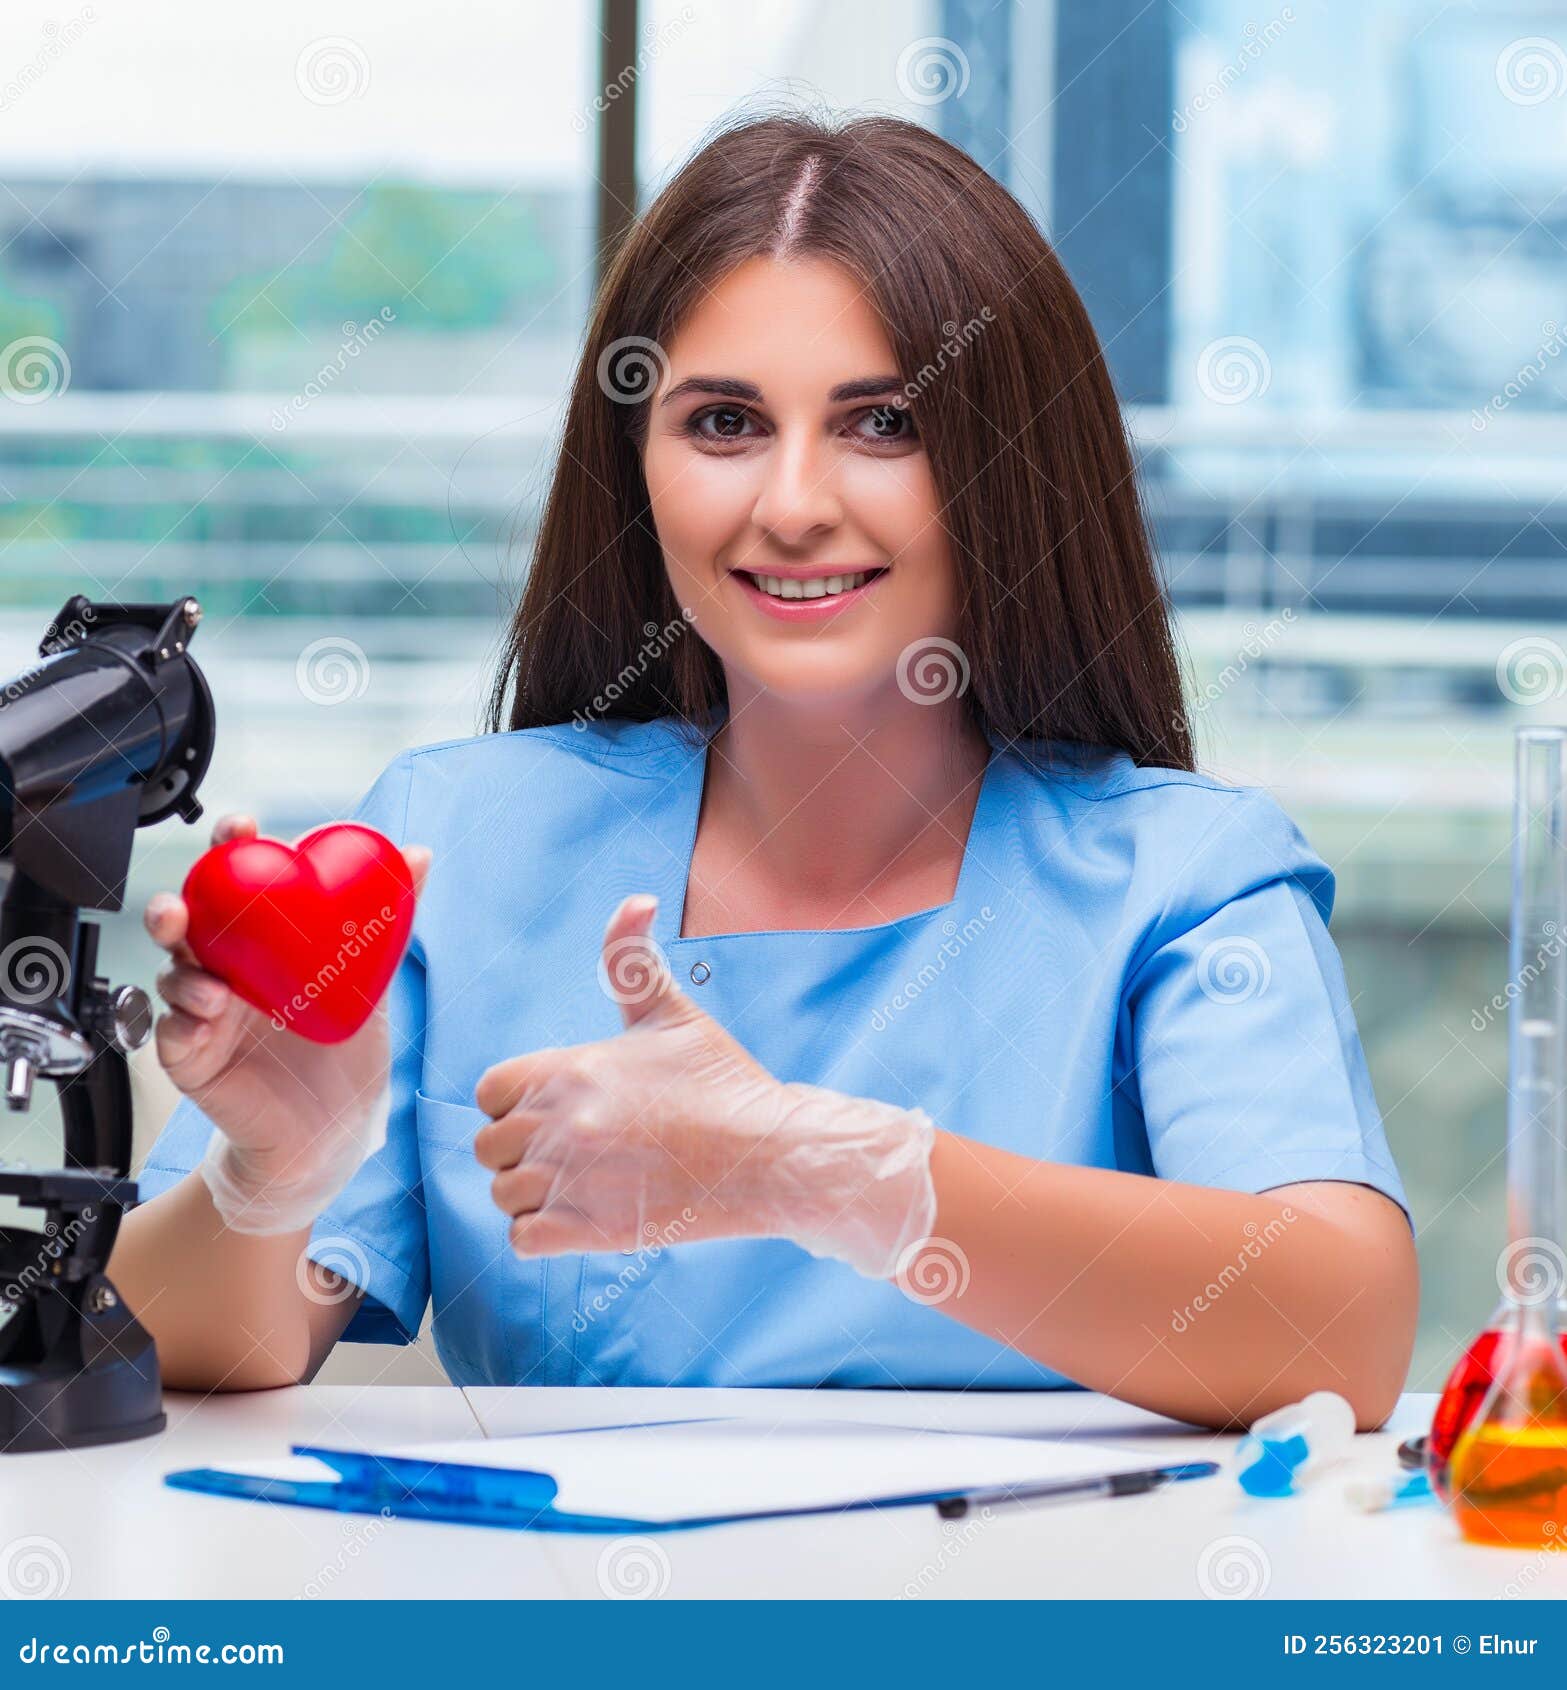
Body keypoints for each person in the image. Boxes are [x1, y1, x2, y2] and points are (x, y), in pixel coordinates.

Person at [111, 112, 1417, 1428]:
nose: (791, 503)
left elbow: (1343, 1329)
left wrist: (805, 1164)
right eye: (725, 422)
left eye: (885, 422)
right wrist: (268, 1176)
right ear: (638, 467)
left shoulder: (1184, 879)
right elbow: (170, 1344)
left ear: (1010, 467)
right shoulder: (459, 843)